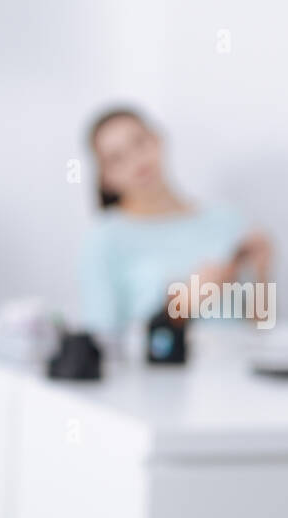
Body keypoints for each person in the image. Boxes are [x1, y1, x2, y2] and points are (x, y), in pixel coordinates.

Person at [78, 107, 271, 346]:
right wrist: (181, 306)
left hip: (235, 373)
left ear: (158, 140)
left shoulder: (226, 219)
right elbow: (101, 343)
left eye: (139, 142)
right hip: (160, 380)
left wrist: (263, 274)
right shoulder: (105, 239)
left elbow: (262, 326)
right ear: (106, 178)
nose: (136, 160)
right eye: (117, 158)